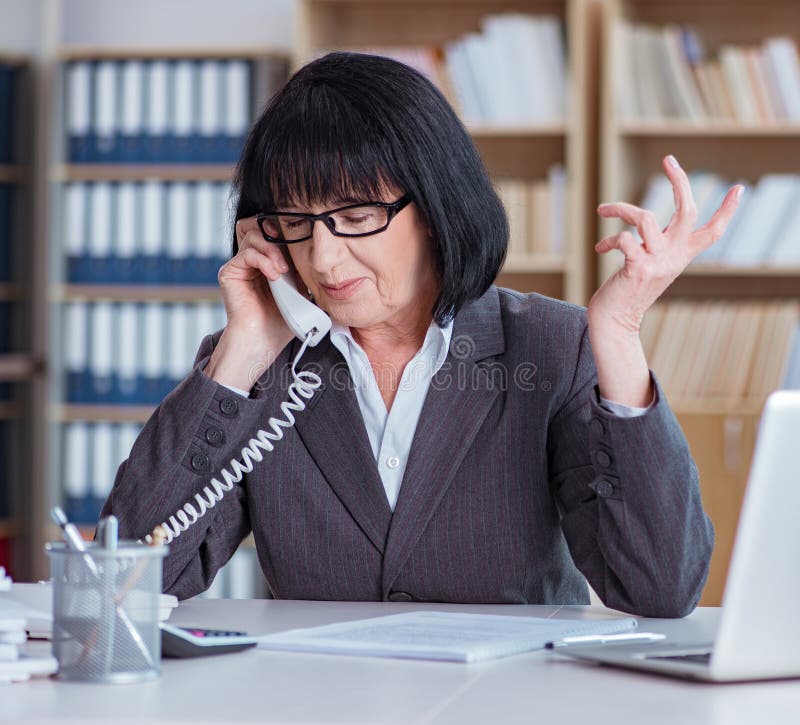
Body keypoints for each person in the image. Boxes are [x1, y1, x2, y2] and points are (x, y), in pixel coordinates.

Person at [101, 52, 741, 617]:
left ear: (435, 209)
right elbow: (125, 580)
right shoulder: (256, 366)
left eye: (355, 216)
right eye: (295, 223)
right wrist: (243, 349)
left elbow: (660, 589)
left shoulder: (552, 346)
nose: (323, 259)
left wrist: (620, 334)